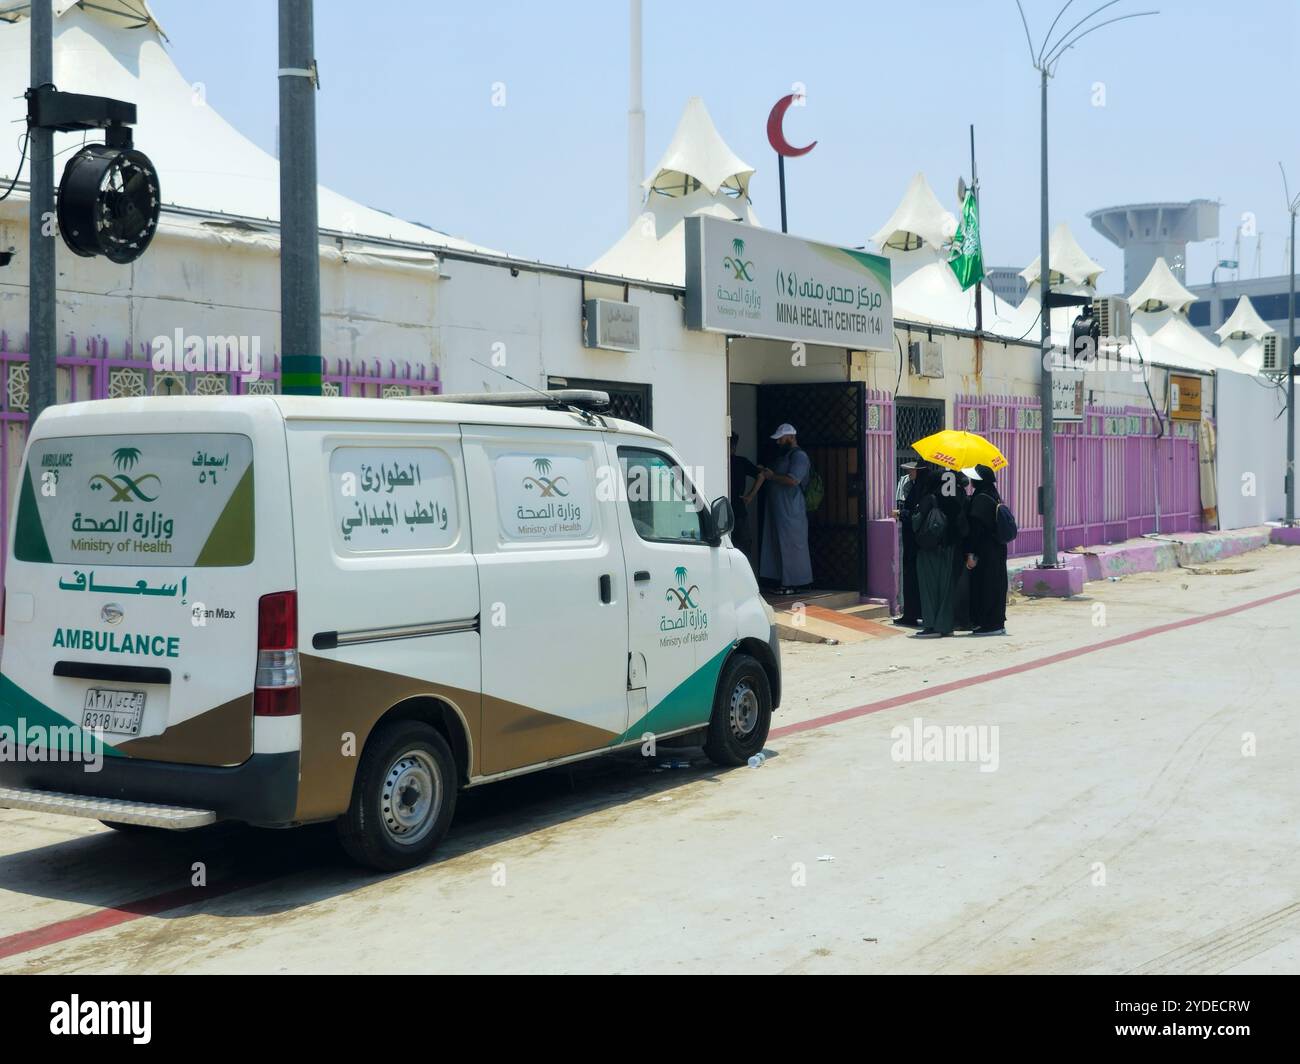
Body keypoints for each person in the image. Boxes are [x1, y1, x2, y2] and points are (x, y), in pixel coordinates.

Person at [753, 422, 812, 594]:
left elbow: (793, 480)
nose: (778, 442)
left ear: (791, 437)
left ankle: (795, 583)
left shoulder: (799, 456)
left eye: (781, 438)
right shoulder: (785, 455)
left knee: (792, 545)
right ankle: (781, 581)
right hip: (780, 509)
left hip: (792, 509)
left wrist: (772, 476)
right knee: (778, 544)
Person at [912, 466, 965, 638]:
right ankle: (945, 625)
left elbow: (916, 523)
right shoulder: (954, 499)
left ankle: (931, 626)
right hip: (948, 549)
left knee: (929, 588)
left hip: (929, 550)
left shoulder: (929, 499)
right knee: (946, 588)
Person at [963, 463, 1009, 636]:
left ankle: (991, 624)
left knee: (986, 586)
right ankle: (995, 622)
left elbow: (975, 531)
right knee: (996, 585)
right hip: (997, 549)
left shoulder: (980, 499)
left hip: (985, 552)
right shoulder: (992, 495)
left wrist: (970, 554)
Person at [891, 460, 923, 627]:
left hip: (915, 542)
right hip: (915, 541)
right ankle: (913, 613)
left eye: (912, 471)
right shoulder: (915, 487)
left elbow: (916, 515)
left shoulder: (920, 490)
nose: (909, 474)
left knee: (913, 578)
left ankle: (912, 614)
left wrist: (901, 513)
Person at [728, 432, 761, 555]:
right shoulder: (741, 462)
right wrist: (750, 496)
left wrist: (750, 496)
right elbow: (761, 475)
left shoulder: (720, 462)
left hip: (726, 509)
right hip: (737, 509)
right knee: (742, 547)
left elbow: (761, 475)